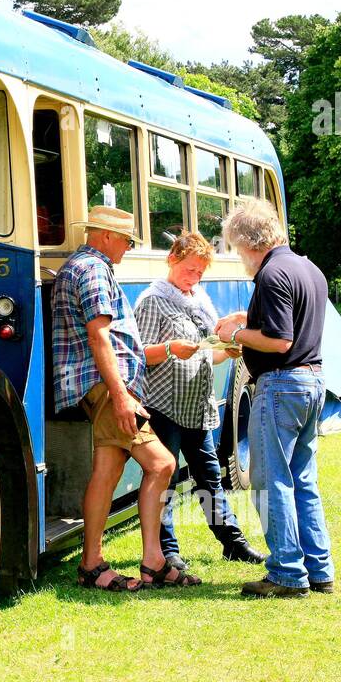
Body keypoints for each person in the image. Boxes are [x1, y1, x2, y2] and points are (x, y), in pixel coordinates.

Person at [52, 205, 200, 591]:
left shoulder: (84, 267)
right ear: (105, 236)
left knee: (109, 471)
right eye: (126, 240)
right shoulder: (93, 269)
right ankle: (127, 561)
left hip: (104, 386)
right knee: (162, 464)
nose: (128, 248)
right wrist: (120, 396)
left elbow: (114, 340)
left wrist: (165, 350)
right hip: (107, 388)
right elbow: (100, 336)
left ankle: (99, 565)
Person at [214, 199, 333, 598]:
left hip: (282, 385)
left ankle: (286, 572)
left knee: (270, 483)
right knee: (303, 480)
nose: (239, 259)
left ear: (248, 243)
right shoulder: (308, 268)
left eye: (236, 249)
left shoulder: (271, 274)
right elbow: (295, 324)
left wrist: (234, 335)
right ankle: (319, 570)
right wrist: (247, 321)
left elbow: (280, 340)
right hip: (313, 382)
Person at [134, 232, 265, 570]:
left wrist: (225, 350)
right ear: (171, 260)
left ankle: (233, 544)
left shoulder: (200, 298)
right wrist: (169, 349)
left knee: (210, 477)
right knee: (166, 479)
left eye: (199, 273)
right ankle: (167, 550)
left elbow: (210, 355)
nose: (193, 278)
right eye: (189, 270)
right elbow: (138, 357)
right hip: (164, 405)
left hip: (198, 405)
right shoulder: (152, 300)